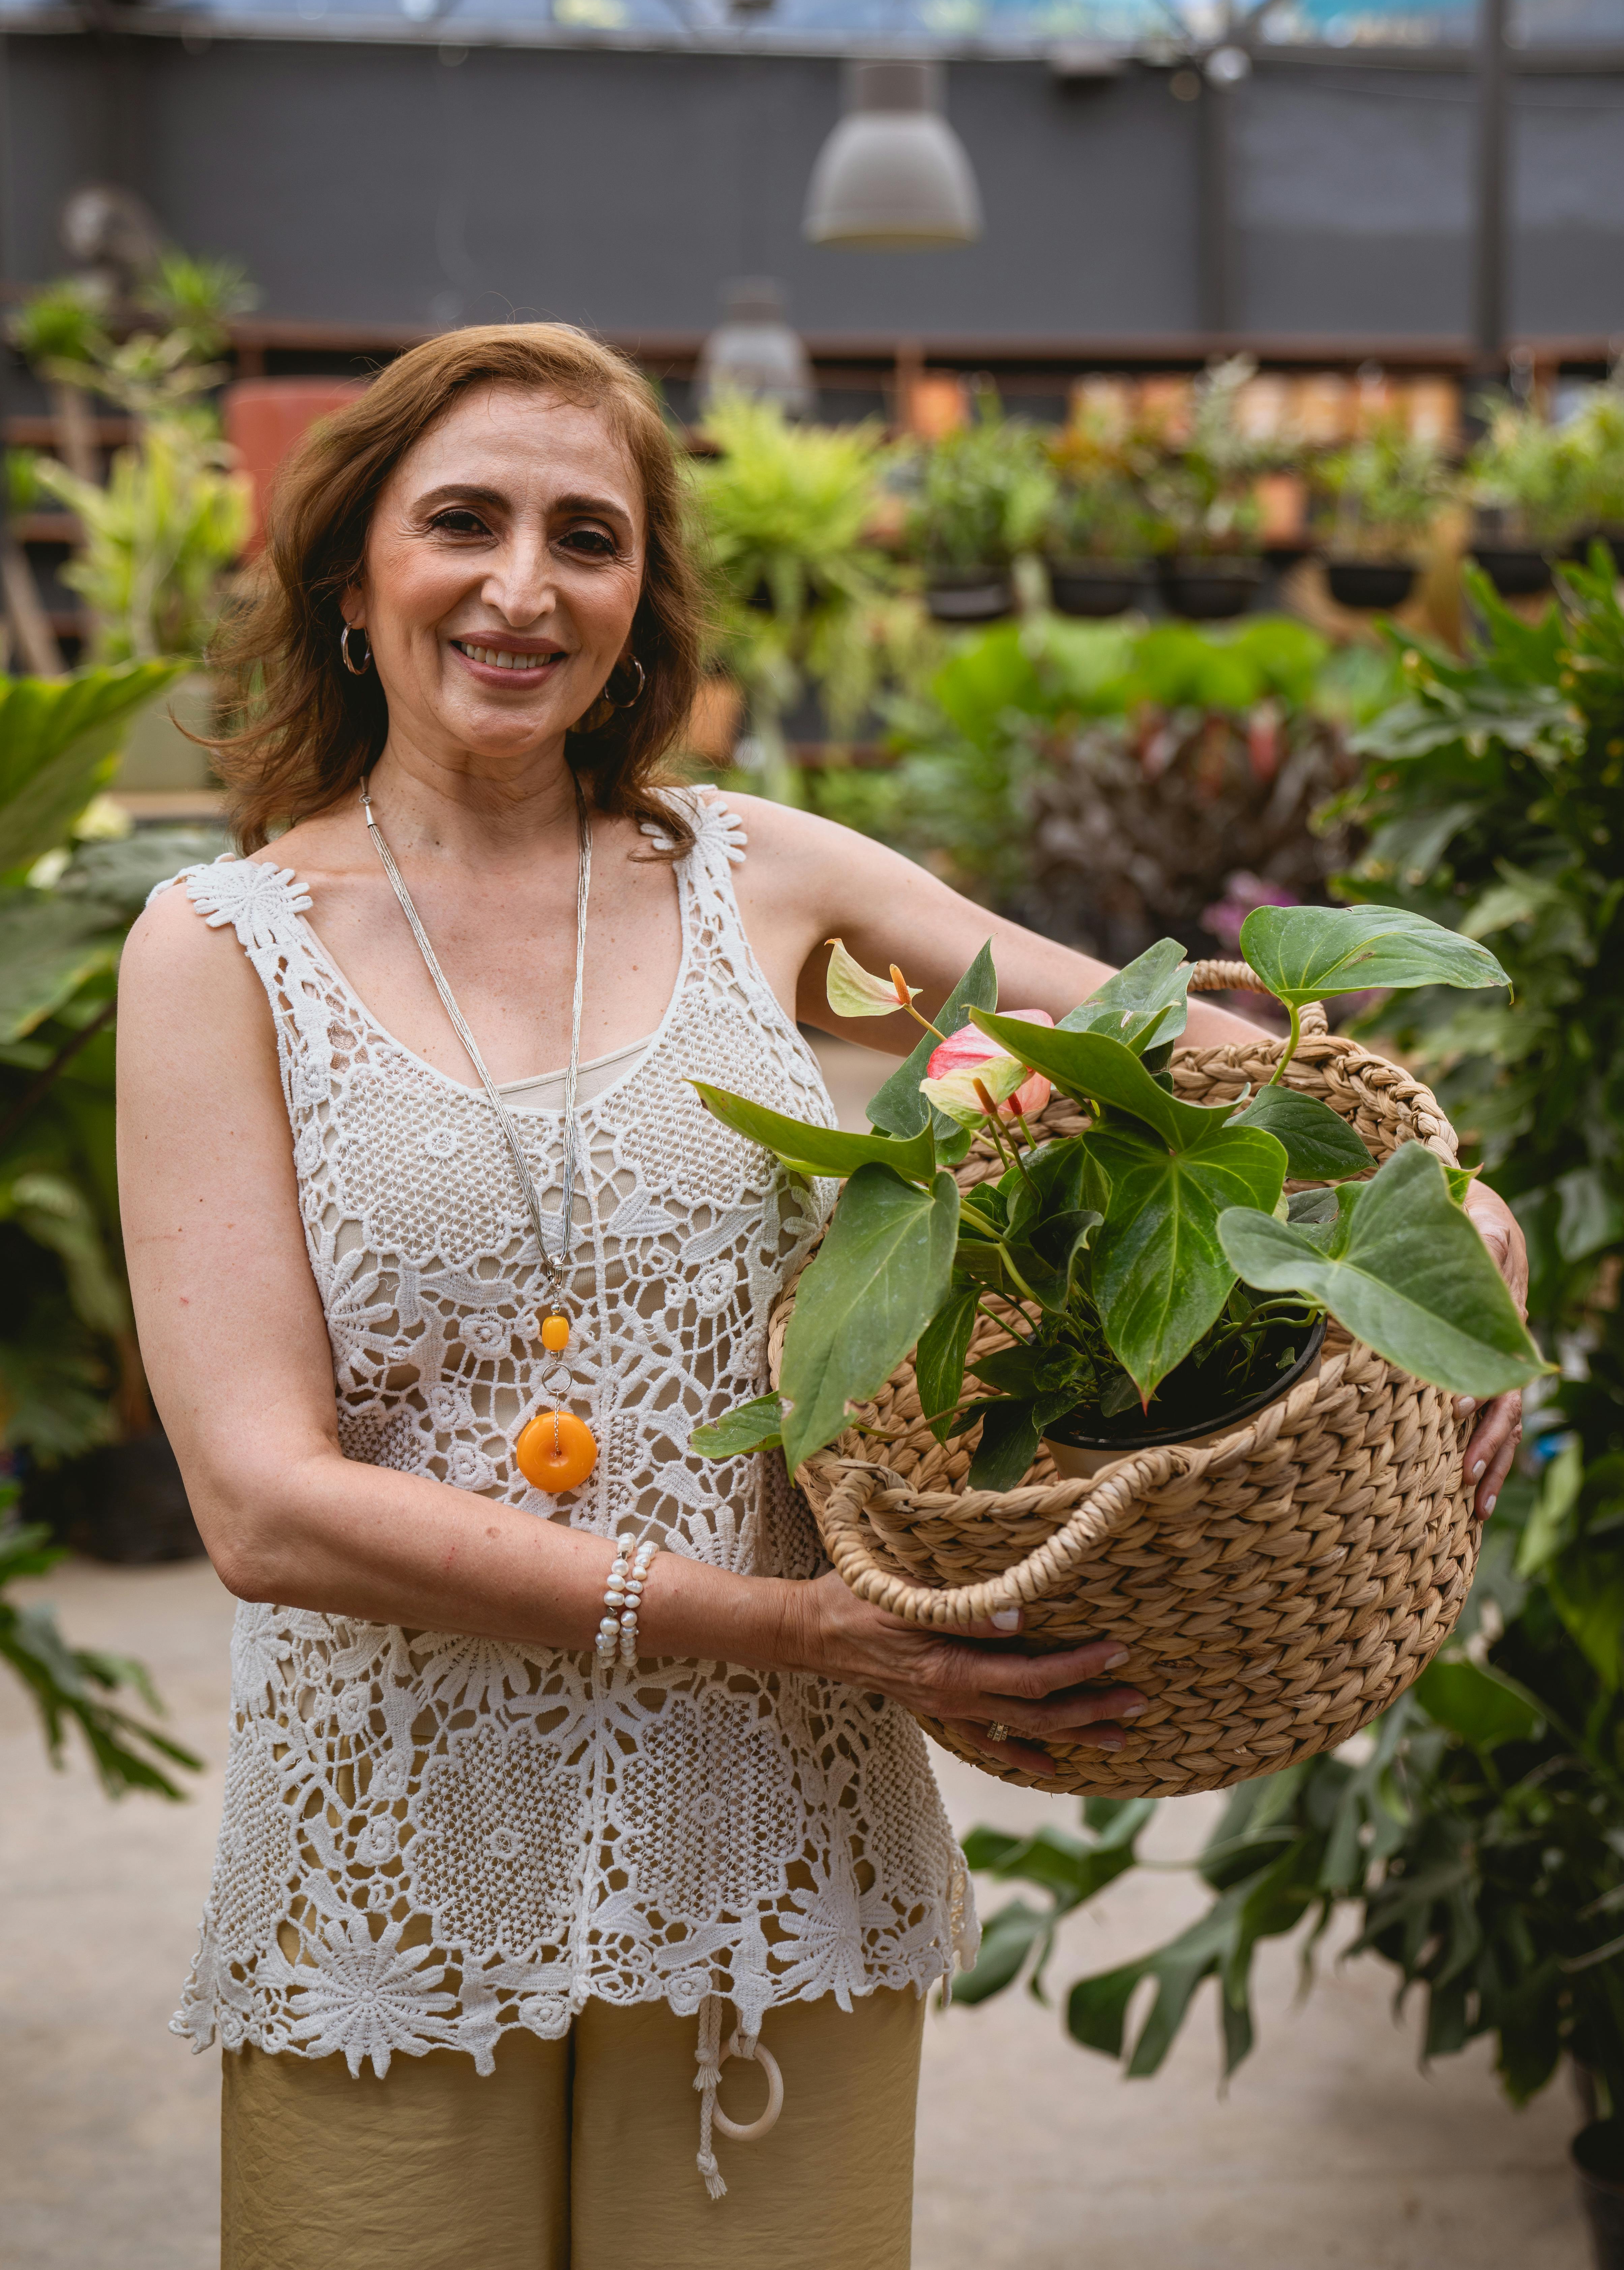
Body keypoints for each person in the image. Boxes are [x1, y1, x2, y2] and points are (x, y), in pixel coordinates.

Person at [117, 325, 1527, 2270]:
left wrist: (1436, 1201)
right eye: (465, 521)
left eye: (587, 538)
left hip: (769, 1832)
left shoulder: (753, 874)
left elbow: (1162, 1043)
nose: (525, 586)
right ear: (352, 572)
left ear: (640, 600)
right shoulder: (217, 950)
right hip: (400, 1849)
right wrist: (793, 1622)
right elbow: (261, 1504)